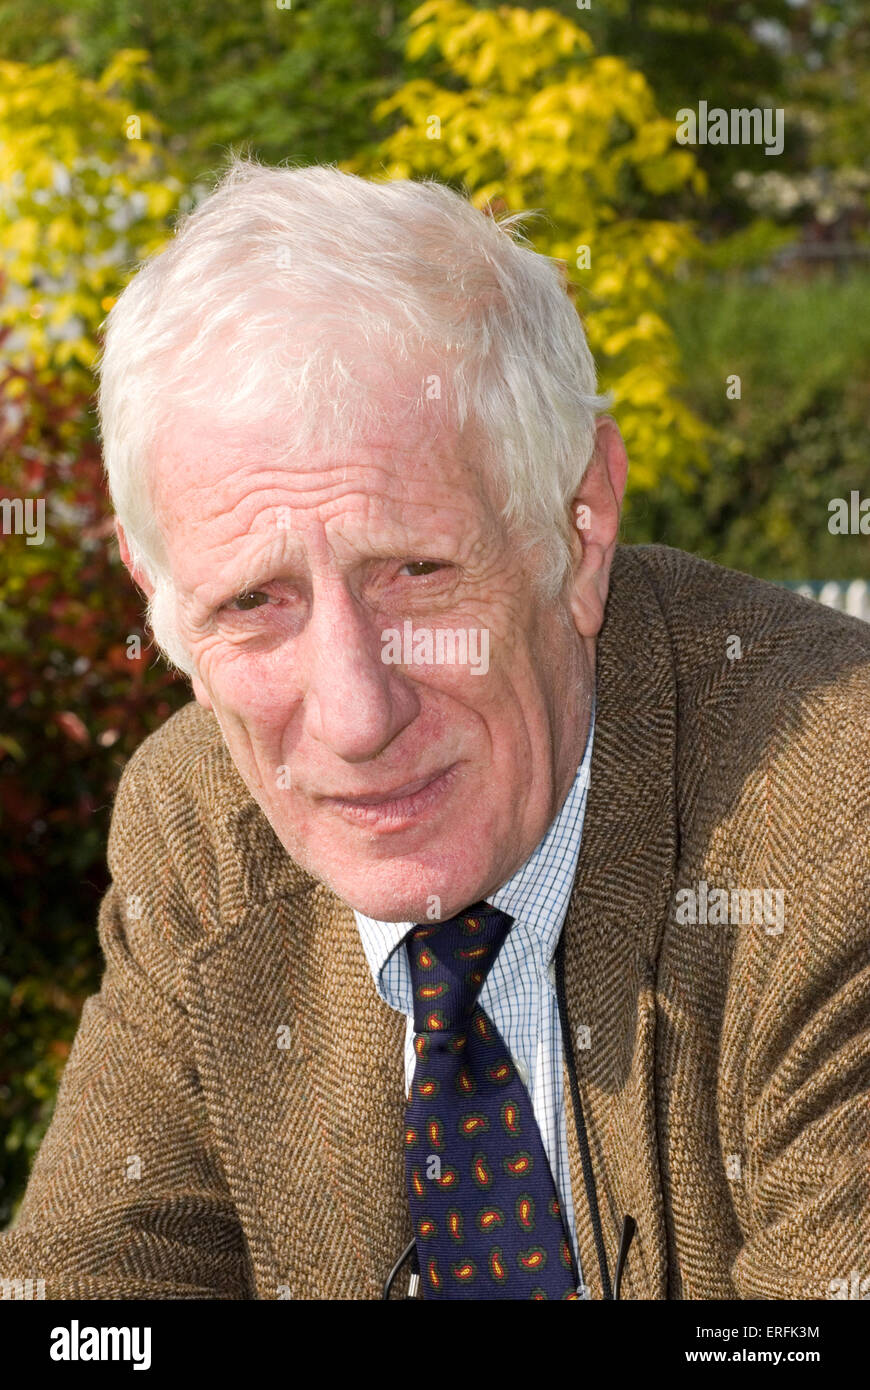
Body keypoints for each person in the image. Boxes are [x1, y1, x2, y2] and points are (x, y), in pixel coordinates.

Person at [2, 158, 868, 1300]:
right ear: (155, 593)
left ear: (582, 524)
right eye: (254, 603)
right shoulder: (199, 824)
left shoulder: (837, 817)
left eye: (415, 573)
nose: (355, 720)